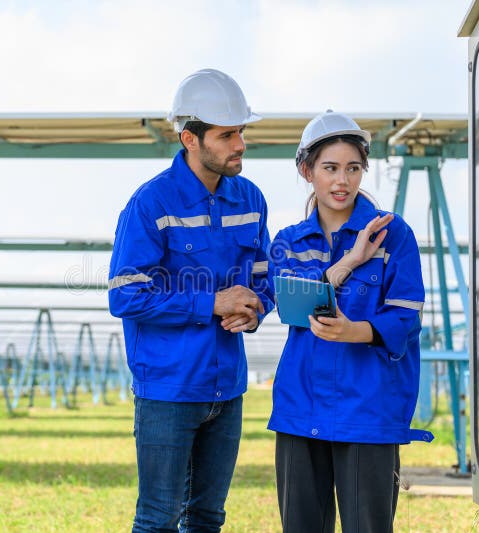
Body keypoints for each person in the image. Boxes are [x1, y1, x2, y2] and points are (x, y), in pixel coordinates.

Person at [108, 68, 275, 533]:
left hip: (228, 389)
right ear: (190, 139)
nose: (240, 144)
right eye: (227, 135)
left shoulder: (251, 199)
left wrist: (255, 309)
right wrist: (212, 303)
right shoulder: (151, 203)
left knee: (207, 518)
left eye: (241, 132)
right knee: (158, 518)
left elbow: (264, 280)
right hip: (169, 390)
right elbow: (126, 296)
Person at [267, 111, 433, 533]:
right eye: (330, 168)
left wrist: (355, 331)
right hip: (301, 407)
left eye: (353, 168)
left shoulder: (393, 235)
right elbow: (292, 305)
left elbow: (407, 317)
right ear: (307, 171)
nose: (342, 181)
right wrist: (350, 260)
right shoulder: (288, 242)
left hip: (368, 410)